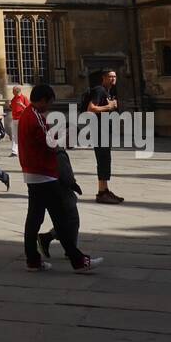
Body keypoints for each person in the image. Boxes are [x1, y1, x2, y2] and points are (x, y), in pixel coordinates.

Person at [20, 83, 102, 272]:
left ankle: (33, 260)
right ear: (43, 100)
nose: (49, 107)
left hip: (33, 173)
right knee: (62, 219)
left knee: (34, 219)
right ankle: (78, 261)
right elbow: (49, 143)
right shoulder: (35, 117)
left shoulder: (28, 114)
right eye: (49, 103)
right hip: (44, 175)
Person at [85, 69, 124, 204]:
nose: (113, 79)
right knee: (103, 159)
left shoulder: (108, 92)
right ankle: (102, 193)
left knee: (105, 159)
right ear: (104, 78)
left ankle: (104, 190)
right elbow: (91, 109)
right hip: (99, 130)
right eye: (110, 76)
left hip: (105, 129)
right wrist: (109, 106)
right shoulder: (99, 90)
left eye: (114, 76)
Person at [9, 85, 29, 157]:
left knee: (22, 135)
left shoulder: (24, 98)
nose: (12, 92)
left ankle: (25, 151)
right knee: (14, 136)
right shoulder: (13, 99)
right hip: (14, 119)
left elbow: (28, 109)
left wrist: (22, 104)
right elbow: (12, 107)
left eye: (13, 91)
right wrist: (10, 105)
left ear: (16, 91)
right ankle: (14, 152)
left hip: (21, 119)